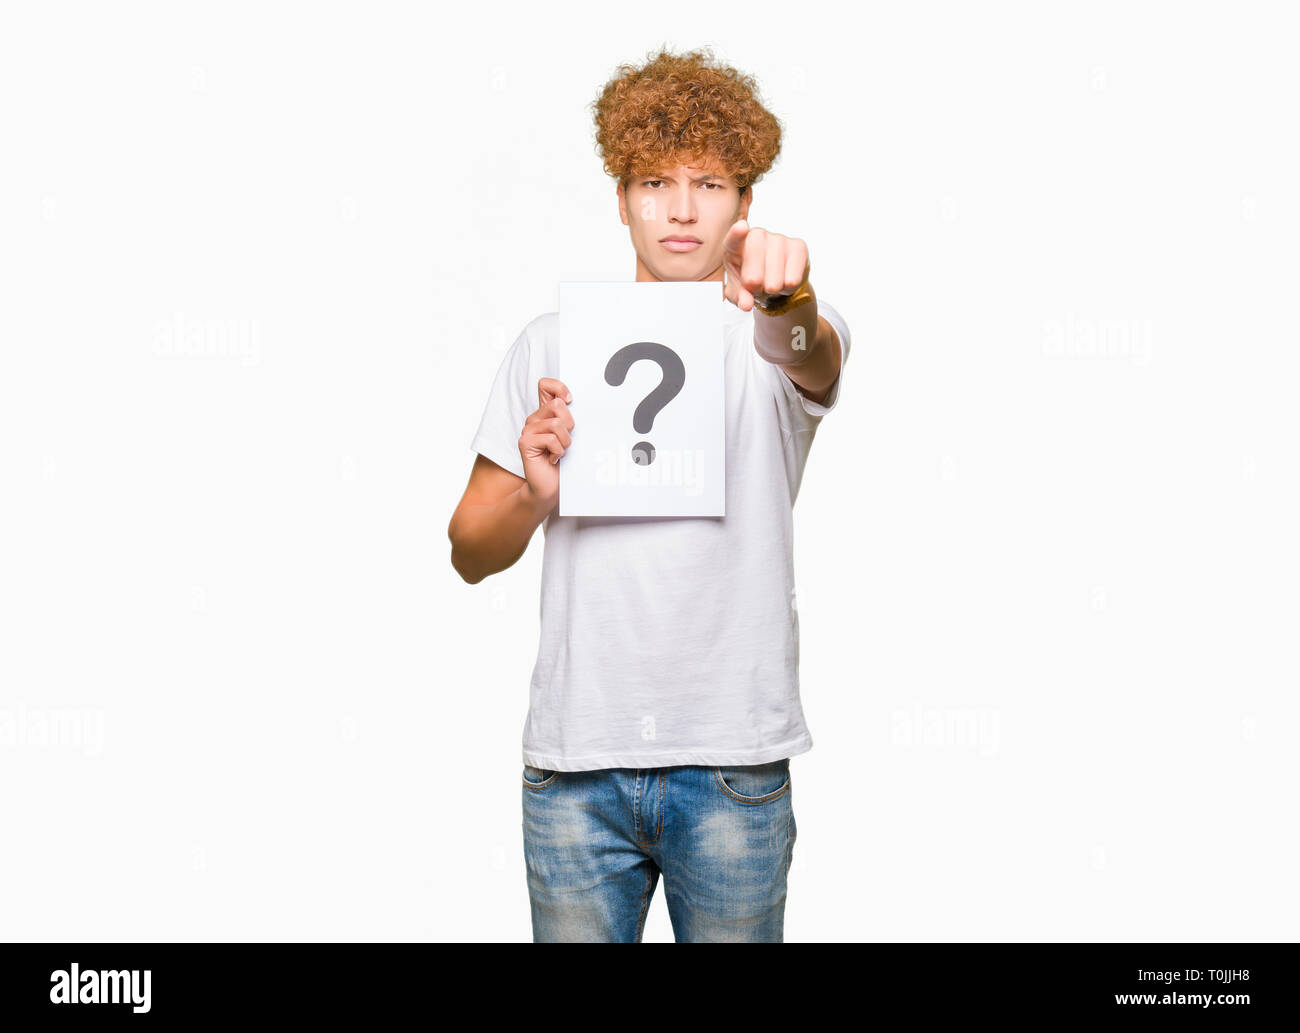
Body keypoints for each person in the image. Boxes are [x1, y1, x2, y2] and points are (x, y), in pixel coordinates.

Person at [448, 46, 851, 942]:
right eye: (654, 181)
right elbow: (469, 550)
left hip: (731, 764)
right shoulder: (550, 344)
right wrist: (535, 491)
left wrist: (790, 294)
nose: (679, 207)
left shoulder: (771, 337)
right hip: (576, 766)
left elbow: (811, 350)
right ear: (622, 198)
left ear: (746, 202)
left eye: (708, 182)